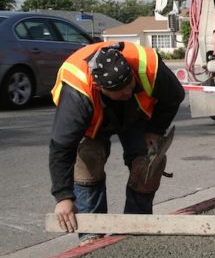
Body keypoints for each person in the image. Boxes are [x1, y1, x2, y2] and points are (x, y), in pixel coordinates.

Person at [50, 41, 185, 243]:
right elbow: (61, 147)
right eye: (120, 91)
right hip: (97, 117)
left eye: (129, 85)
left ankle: (135, 229)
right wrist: (63, 197)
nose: (127, 93)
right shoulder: (78, 95)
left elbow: (175, 96)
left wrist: (155, 130)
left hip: (136, 115)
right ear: (99, 87)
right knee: (89, 159)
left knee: (147, 164)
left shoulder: (148, 67)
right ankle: (91, 234)